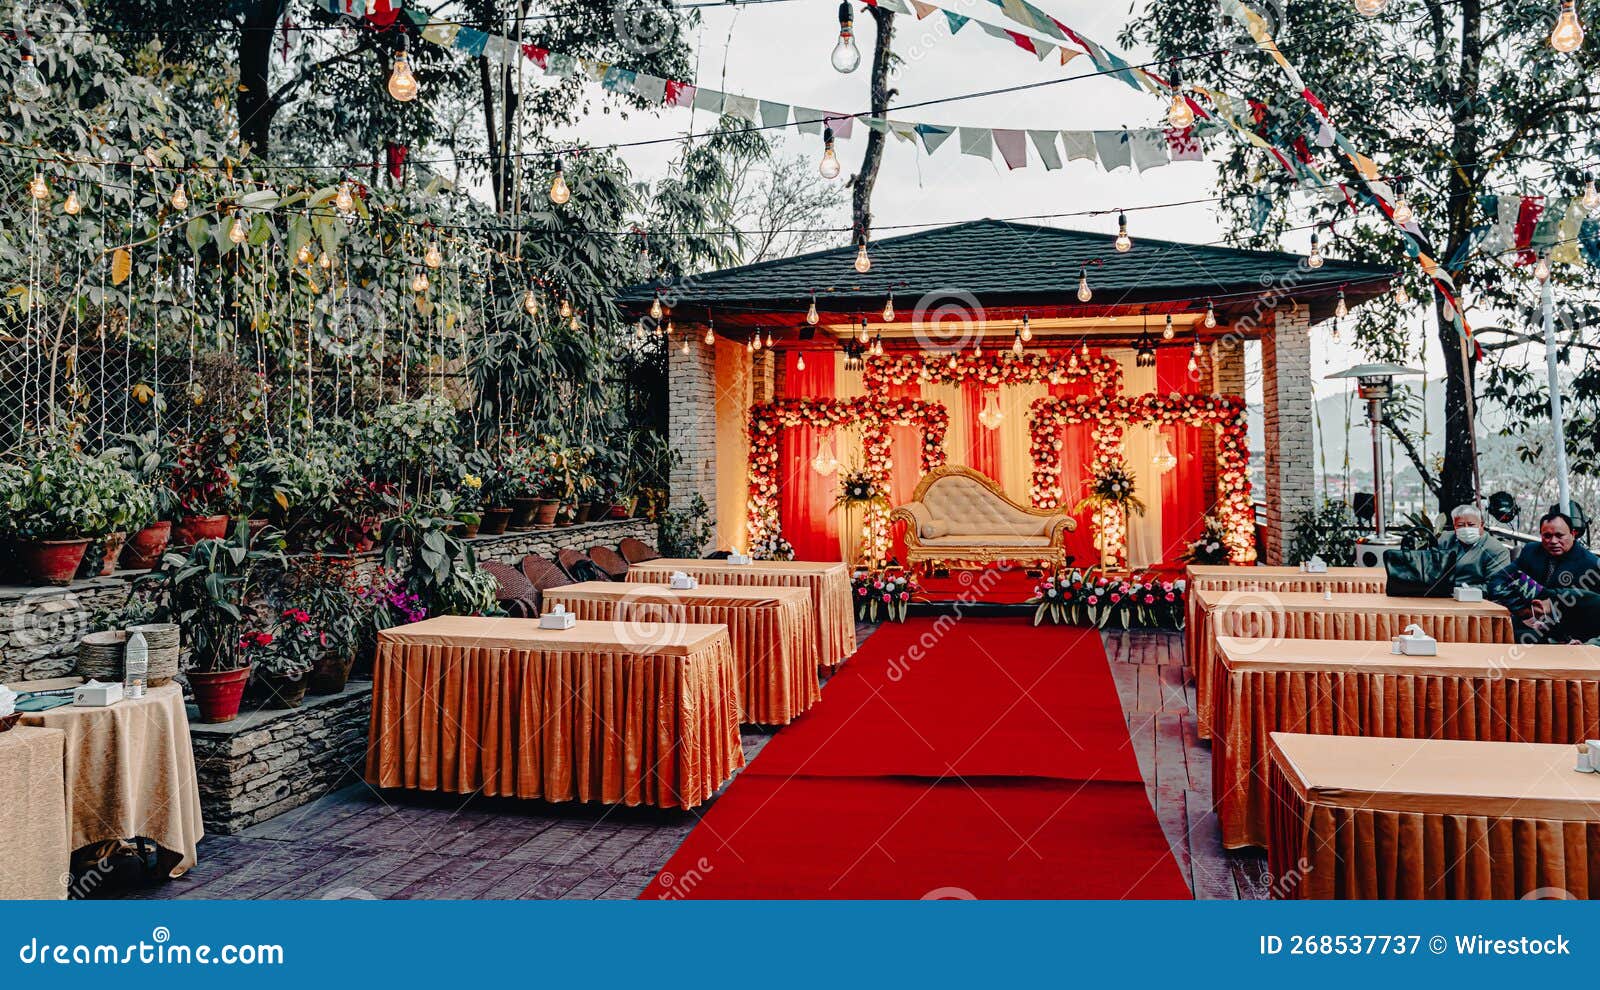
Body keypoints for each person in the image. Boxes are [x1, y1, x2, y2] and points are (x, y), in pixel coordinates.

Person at [1515, 511, 1600, 593]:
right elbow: (1509, 574)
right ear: (1541, 535)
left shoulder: (1592, 565)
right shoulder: (1530, 550)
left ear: (1573, 534)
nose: (1553, 541)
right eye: (1547, 536)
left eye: (1559, 535)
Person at [1435, 503, 1510, 587]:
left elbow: (1496, 584)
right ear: (1454, 526)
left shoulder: (1497, 550)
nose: (1466, 529)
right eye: (1460, 525)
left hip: (1473, 593)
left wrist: (1464, 591)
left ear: (1481, 525)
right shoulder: (1444, 539)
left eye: (1471, 525)